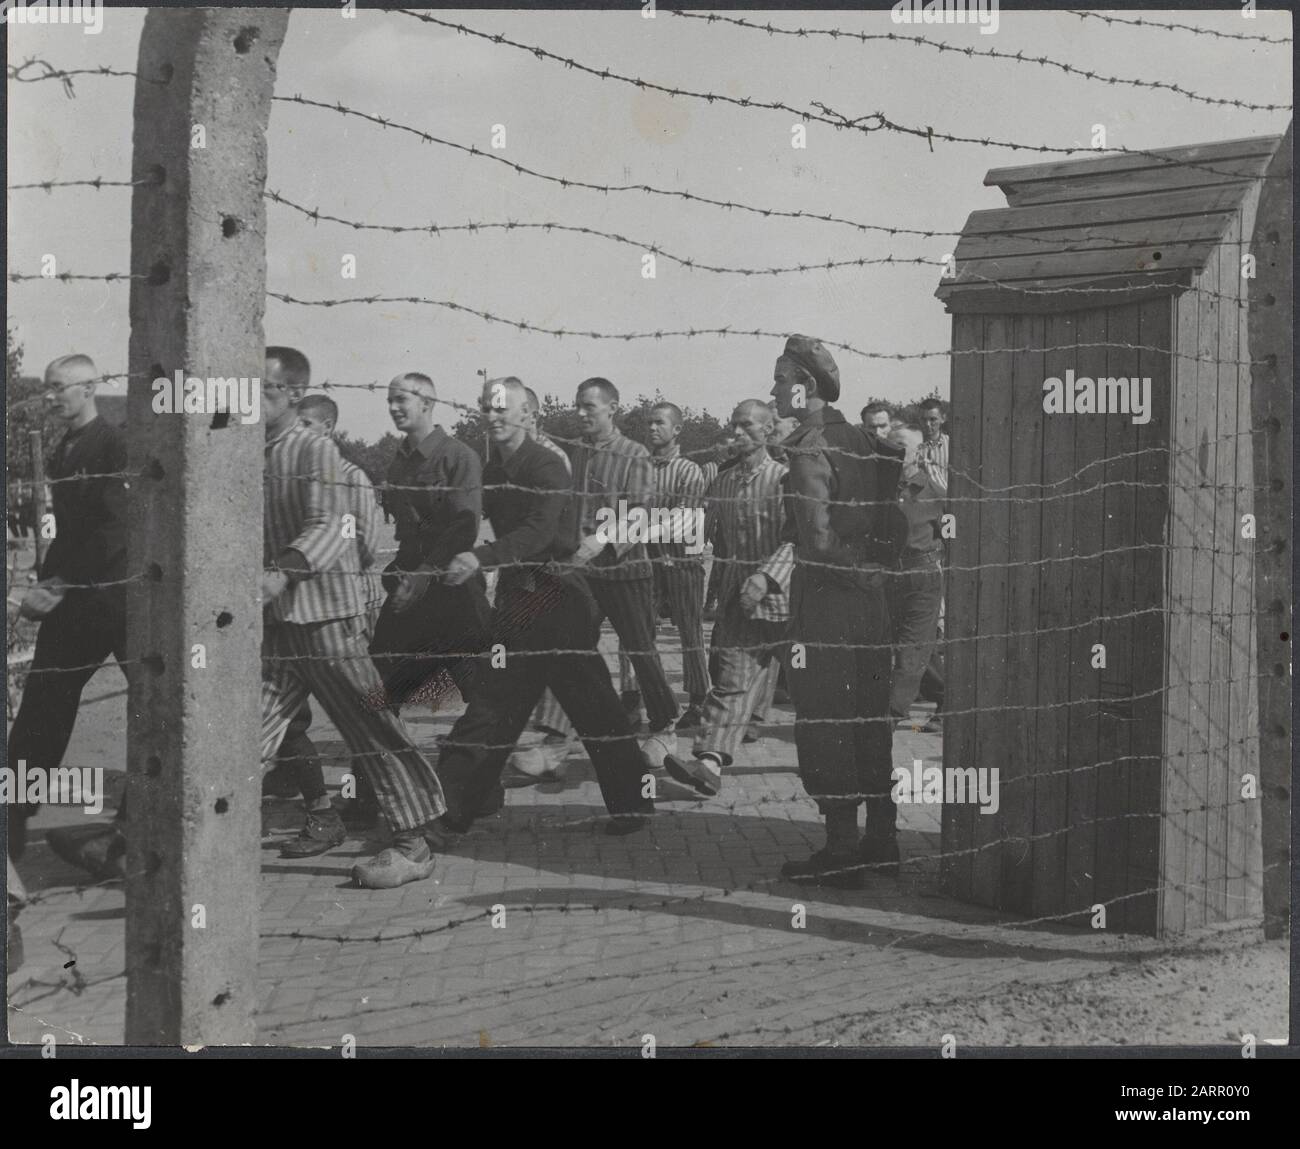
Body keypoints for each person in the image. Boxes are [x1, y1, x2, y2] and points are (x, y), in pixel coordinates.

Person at [260, 347, 449, 889]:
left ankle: (413, 843)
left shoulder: (313, 449)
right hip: (276, 627)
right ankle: (176, 841)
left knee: (369, 728)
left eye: (263, 388)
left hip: (325, 620)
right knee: (240, 730)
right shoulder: (250, 452)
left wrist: (281, 572)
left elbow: (329, 525)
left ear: (295, 393)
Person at [435, 378, 653, 834]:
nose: (491, 417)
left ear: (529, 415)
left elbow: (538, 532)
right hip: (521, 597)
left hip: (559, 597)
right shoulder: (496, 467)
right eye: (485, 409)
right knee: (497, 706)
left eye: (501, 409)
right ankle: (452, 811)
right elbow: (476, 517)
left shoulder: (548, 463)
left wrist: (481, 556)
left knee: (591, 708)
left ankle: (633, 805)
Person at [767, 335, 906, 887]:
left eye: (780, 379)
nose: (774, 389)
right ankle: (883, 840)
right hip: (871, 604)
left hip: (826, 603)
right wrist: (875, 569)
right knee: (870, 721)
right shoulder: (862, 441)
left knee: (825, 721)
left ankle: (842, 849)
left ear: (804, 388)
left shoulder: (810, 449)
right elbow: (892, 522)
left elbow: (817, 539)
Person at [8, 354, 130, 877]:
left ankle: (134, 837)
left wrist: (59, 584)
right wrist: (46, 583)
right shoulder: (65, 447)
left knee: (159, 713)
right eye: (48, 388)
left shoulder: (113, 444)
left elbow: (114, 534)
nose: (52, 397)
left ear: (90, 389)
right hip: (76, 599)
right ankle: (12, 817)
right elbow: (68, 533)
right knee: (42, 708)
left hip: (114, 601)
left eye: (60, 389)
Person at [264, 392, 387, 854]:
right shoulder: (276, 465)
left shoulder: (351, 478)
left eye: (312, 425)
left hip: (344, 607)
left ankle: (379, 809)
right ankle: (321, 809)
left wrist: (321, 569)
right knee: (291, 720)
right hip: (287, 613)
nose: (304, 433)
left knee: (361, 715)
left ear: (328, 429)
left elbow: (368, 546)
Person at [663, 400, 790, 797]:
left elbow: (799, 539)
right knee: (731, 681)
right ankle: (709, 763)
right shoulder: (723, 482)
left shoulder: (786, 479)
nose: (735, 433)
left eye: (745, 426)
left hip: (791, 602)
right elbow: (708, 538)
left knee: (819, 693)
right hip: (741, 602)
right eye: (733, 425)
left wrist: (768, 575)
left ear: (768, 431)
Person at [568, 378, 680, 766]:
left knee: (640, 651)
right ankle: (557, 735)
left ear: (612, 408)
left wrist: (599, 542)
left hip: (626, 572)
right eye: (577, 406)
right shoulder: (578, 453)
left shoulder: (634, 454)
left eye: (590, 407)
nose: (581, 414)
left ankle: (665, 729)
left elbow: (642, 512)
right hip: (584, 574)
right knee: (570, 646)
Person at [369, 372, 490, 711]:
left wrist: (425, 573)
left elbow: (464, 526)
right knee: (382, 665)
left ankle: (478, 755)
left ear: (427, 403)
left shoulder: (457, 456)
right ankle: (384, 758)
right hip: (409, 578)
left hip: (452, 583)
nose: (393, 407)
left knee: (476, 681)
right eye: (389, 401)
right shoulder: (399, 464)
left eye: (401, 399)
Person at [642, 402, 709, 729]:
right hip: (647, 563)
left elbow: (683, 521)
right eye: (649, 423)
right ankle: (634, 698)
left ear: (677, 429)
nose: (653, 428)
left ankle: (698, 699)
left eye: (660, 423)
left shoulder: (689, 471)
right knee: (638, 632)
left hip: (683, 562)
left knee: (690, 633)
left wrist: (635, 529)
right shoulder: (638, 468)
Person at [887, 426, 945, 733]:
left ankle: (888, 715)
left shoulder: (934, 490)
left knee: (911, 647)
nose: (893, 452)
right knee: (922, 645)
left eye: (900, 447)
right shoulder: (886, 488)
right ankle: (948, 696)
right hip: (891, 576)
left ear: (919, 452)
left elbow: (955, 537)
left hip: (923, 575)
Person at [917, 398, 949, 492]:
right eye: (923, 419)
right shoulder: (914, 447)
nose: (927, 424)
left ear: (943, 418)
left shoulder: (952, 445)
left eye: (933, 419)